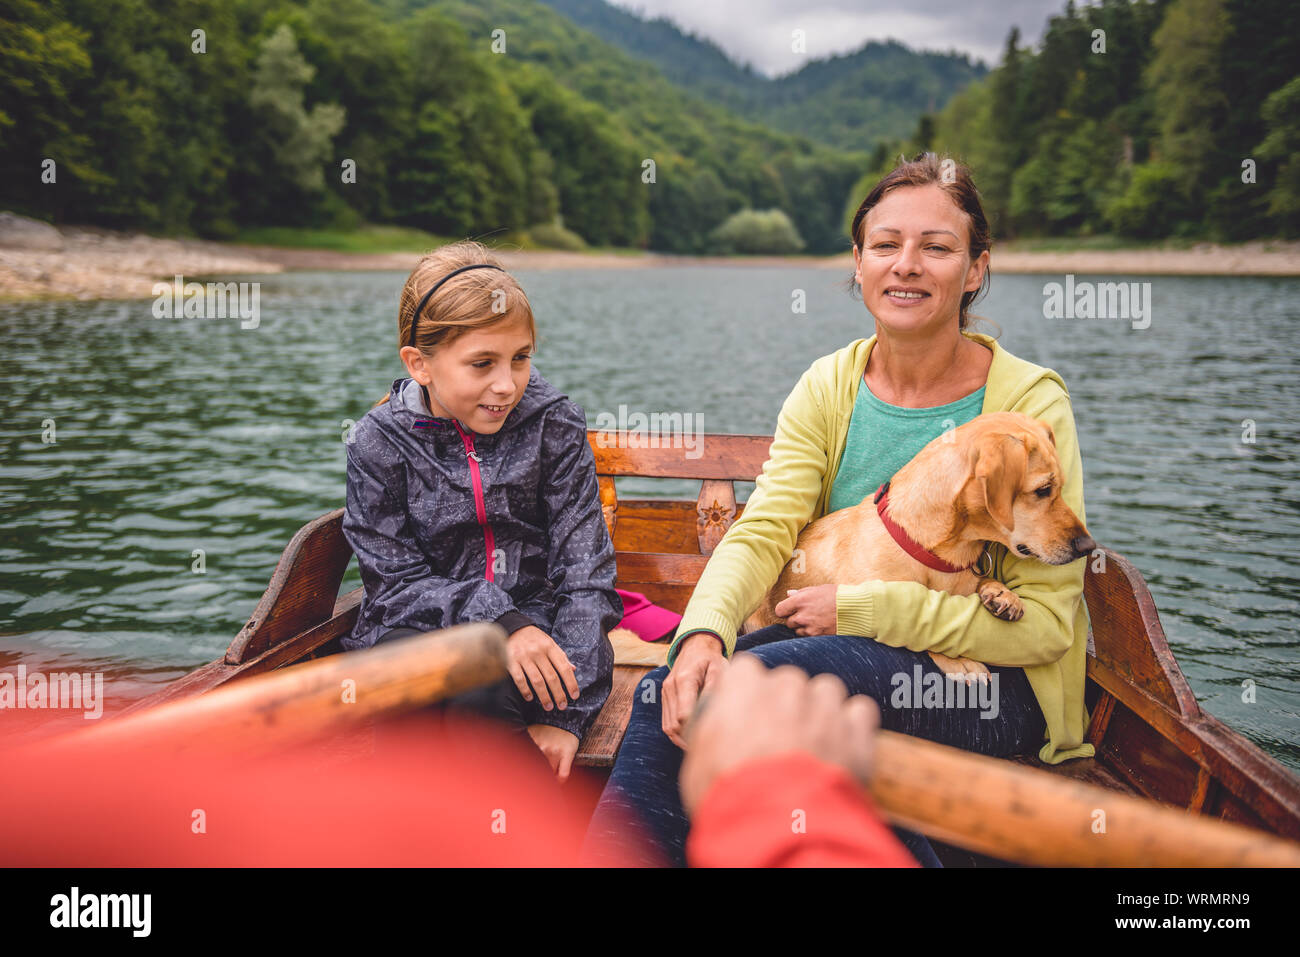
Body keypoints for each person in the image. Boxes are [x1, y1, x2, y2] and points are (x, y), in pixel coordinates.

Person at [584, 152, 1096, 867]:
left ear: (976, 268)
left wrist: (864, 611)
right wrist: (701, 633)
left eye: (937, 247)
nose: (906, 265)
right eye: (885, 245)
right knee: (673, 688)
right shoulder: (830, 385)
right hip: (847, 654)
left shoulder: (1029, 404)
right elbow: (765, 530)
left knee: (759, 691)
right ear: (858, 264)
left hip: (993, 685)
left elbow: (1044, 628)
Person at [341, 240, 622, 782]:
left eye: (521, 358)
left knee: (484, 689)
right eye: (482, 363)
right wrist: (497, 619)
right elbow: (395, 583)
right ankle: (404, 823)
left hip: (537, 624)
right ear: (419, 364)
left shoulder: (553, 425)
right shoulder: (378, 441)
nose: (506, 385)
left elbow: (586, 576)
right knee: (407, 679)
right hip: (419, 623)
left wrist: (566, 716)